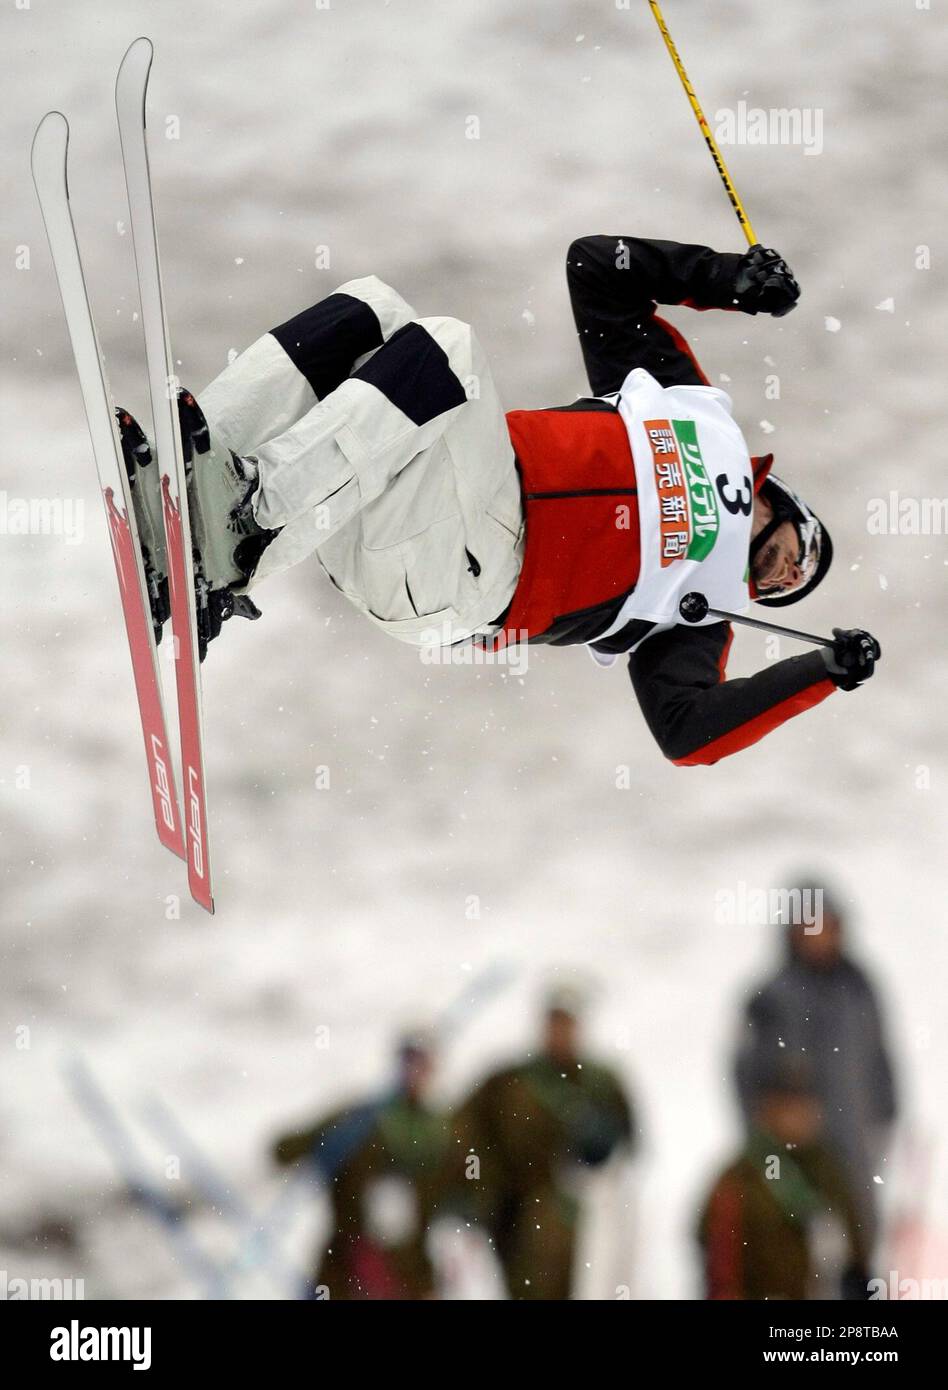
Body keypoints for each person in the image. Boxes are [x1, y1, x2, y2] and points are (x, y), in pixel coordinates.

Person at [124, 234, 880, 763]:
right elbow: (596, 266)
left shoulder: (701, 612)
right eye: (795, 555)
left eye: (784, 588)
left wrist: (821, 673)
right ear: (781, 499)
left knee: (448, 346)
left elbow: (689, 734)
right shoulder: (692, 409)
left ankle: (242, 529)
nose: (782, 576)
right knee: (373, 309)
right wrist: (727, 281)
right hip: (393, 494)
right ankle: (196, 488)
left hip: (472, 575)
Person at [734, 882, 898, 1249]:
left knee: (857, 1238)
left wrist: (887, 1114)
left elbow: (880, 1059)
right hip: (795, 1153)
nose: (819, 936)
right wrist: (763, 1142)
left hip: (855, 1141)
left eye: (826, 926)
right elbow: (747, 1077)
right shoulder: (770, 998)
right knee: (795, 1246)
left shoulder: (858, 988)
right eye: (810, 926)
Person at [449, 985, 635, 1299]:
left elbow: (630, 1145)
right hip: (517, 1215)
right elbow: (465, 1138)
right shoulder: (507, 1083)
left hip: (586, 1213)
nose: (560, 1032)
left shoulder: (602, 1082)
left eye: (567, 1023)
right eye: (554, 1023)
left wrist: (601, 1153)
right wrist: (475, 1187)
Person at [272, 1028, 449, 1299]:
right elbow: (285, 1151)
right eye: (410, 1062)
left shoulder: (440, 1131)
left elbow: (465, 1187)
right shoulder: (359, 1119)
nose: (416, 1073)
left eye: (423, 1064)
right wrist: (325, 1142)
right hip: (348, 1260)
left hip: (408, 1267)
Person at [698, 1062, 871, 1300]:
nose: (798, 1116)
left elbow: (857, 1248)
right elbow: (718, 1258)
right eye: (788, 1108)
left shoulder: (829, 1170)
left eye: (804, 1106)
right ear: (768, 1112)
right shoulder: (741, 1177)